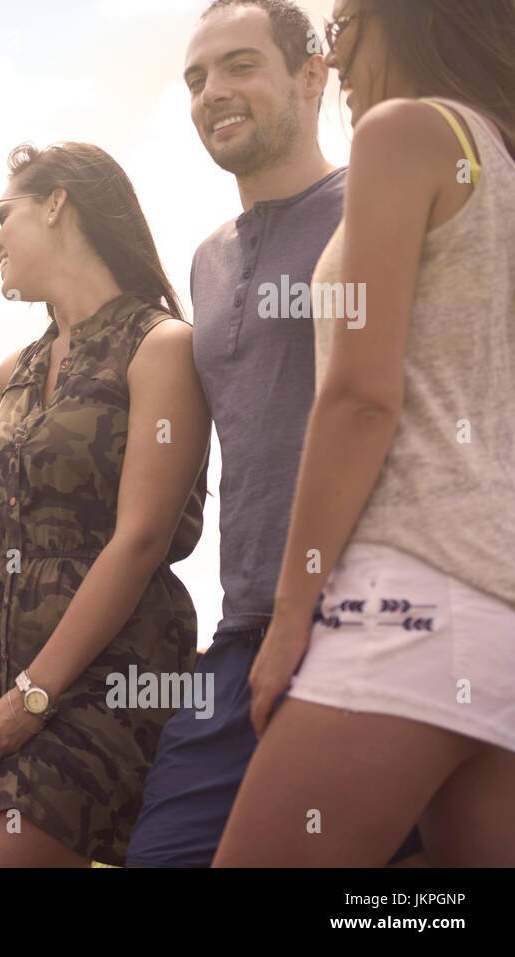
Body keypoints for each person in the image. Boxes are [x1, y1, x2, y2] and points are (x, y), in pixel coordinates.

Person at [215, 0, 515, 866]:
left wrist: (290, 616)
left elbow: (359, 398)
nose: (333, 50)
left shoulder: (404, 132)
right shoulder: (497, 160)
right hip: (494, 609)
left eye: (343, 23)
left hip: (407, 596)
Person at [128, 0, 415, 867]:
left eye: (240, 65)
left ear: (312, 74)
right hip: (246, 632)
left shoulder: (379, 205)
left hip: (373, 623)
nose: (212, 91)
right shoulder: (209, 259)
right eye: (195, 78)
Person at [0, 142, 210, 867]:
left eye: (5, 214)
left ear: (57, 203)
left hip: (101, 679)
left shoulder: (160, 346)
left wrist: (32, 697)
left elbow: (141, 540)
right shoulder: (14, 372)